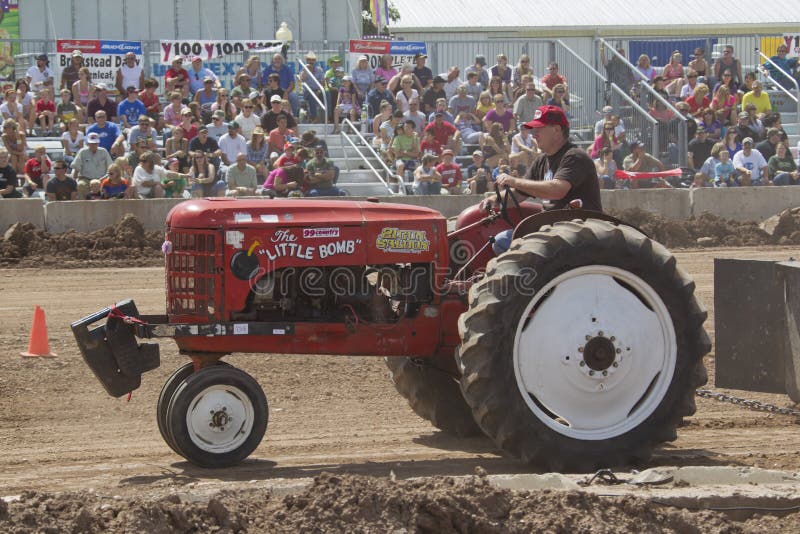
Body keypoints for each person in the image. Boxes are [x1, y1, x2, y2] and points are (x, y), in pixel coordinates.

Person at [487, 105, 602, 255]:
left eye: (539, 129)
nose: (534, 135)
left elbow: (557, 190)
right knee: (501, 240)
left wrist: (513, 181)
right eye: (533, 130)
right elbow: (519, 193)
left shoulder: (574, 156)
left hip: (576, 232)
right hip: (553, 230)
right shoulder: (542, 160)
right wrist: (494, 200)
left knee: (503, 241)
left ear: (556, 130)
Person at [72, 132, 113, 199]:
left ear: (98, 143)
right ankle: (83, 205)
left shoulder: (104, 151)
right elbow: (76, 167)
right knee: (80, 185)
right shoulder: (82, 152)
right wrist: (74, 180)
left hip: (102, 179)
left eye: (95, 143)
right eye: (91, 143)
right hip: (86, 179)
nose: (93, 145)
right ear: (88, 143)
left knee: (108, 186)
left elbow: (110, 167)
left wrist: (105, 178)